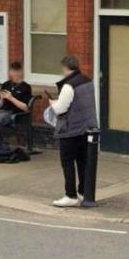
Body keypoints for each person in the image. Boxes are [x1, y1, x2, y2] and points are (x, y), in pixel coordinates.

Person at [48, 56, 97, 207]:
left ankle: (70, 195)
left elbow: (60, 109)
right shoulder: (87, 81)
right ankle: (83, 192)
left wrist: (52, 103)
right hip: (87, 128)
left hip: (71, 129)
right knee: (83, 161)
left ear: (65, 68)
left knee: (67, 162)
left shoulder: (68, 86)